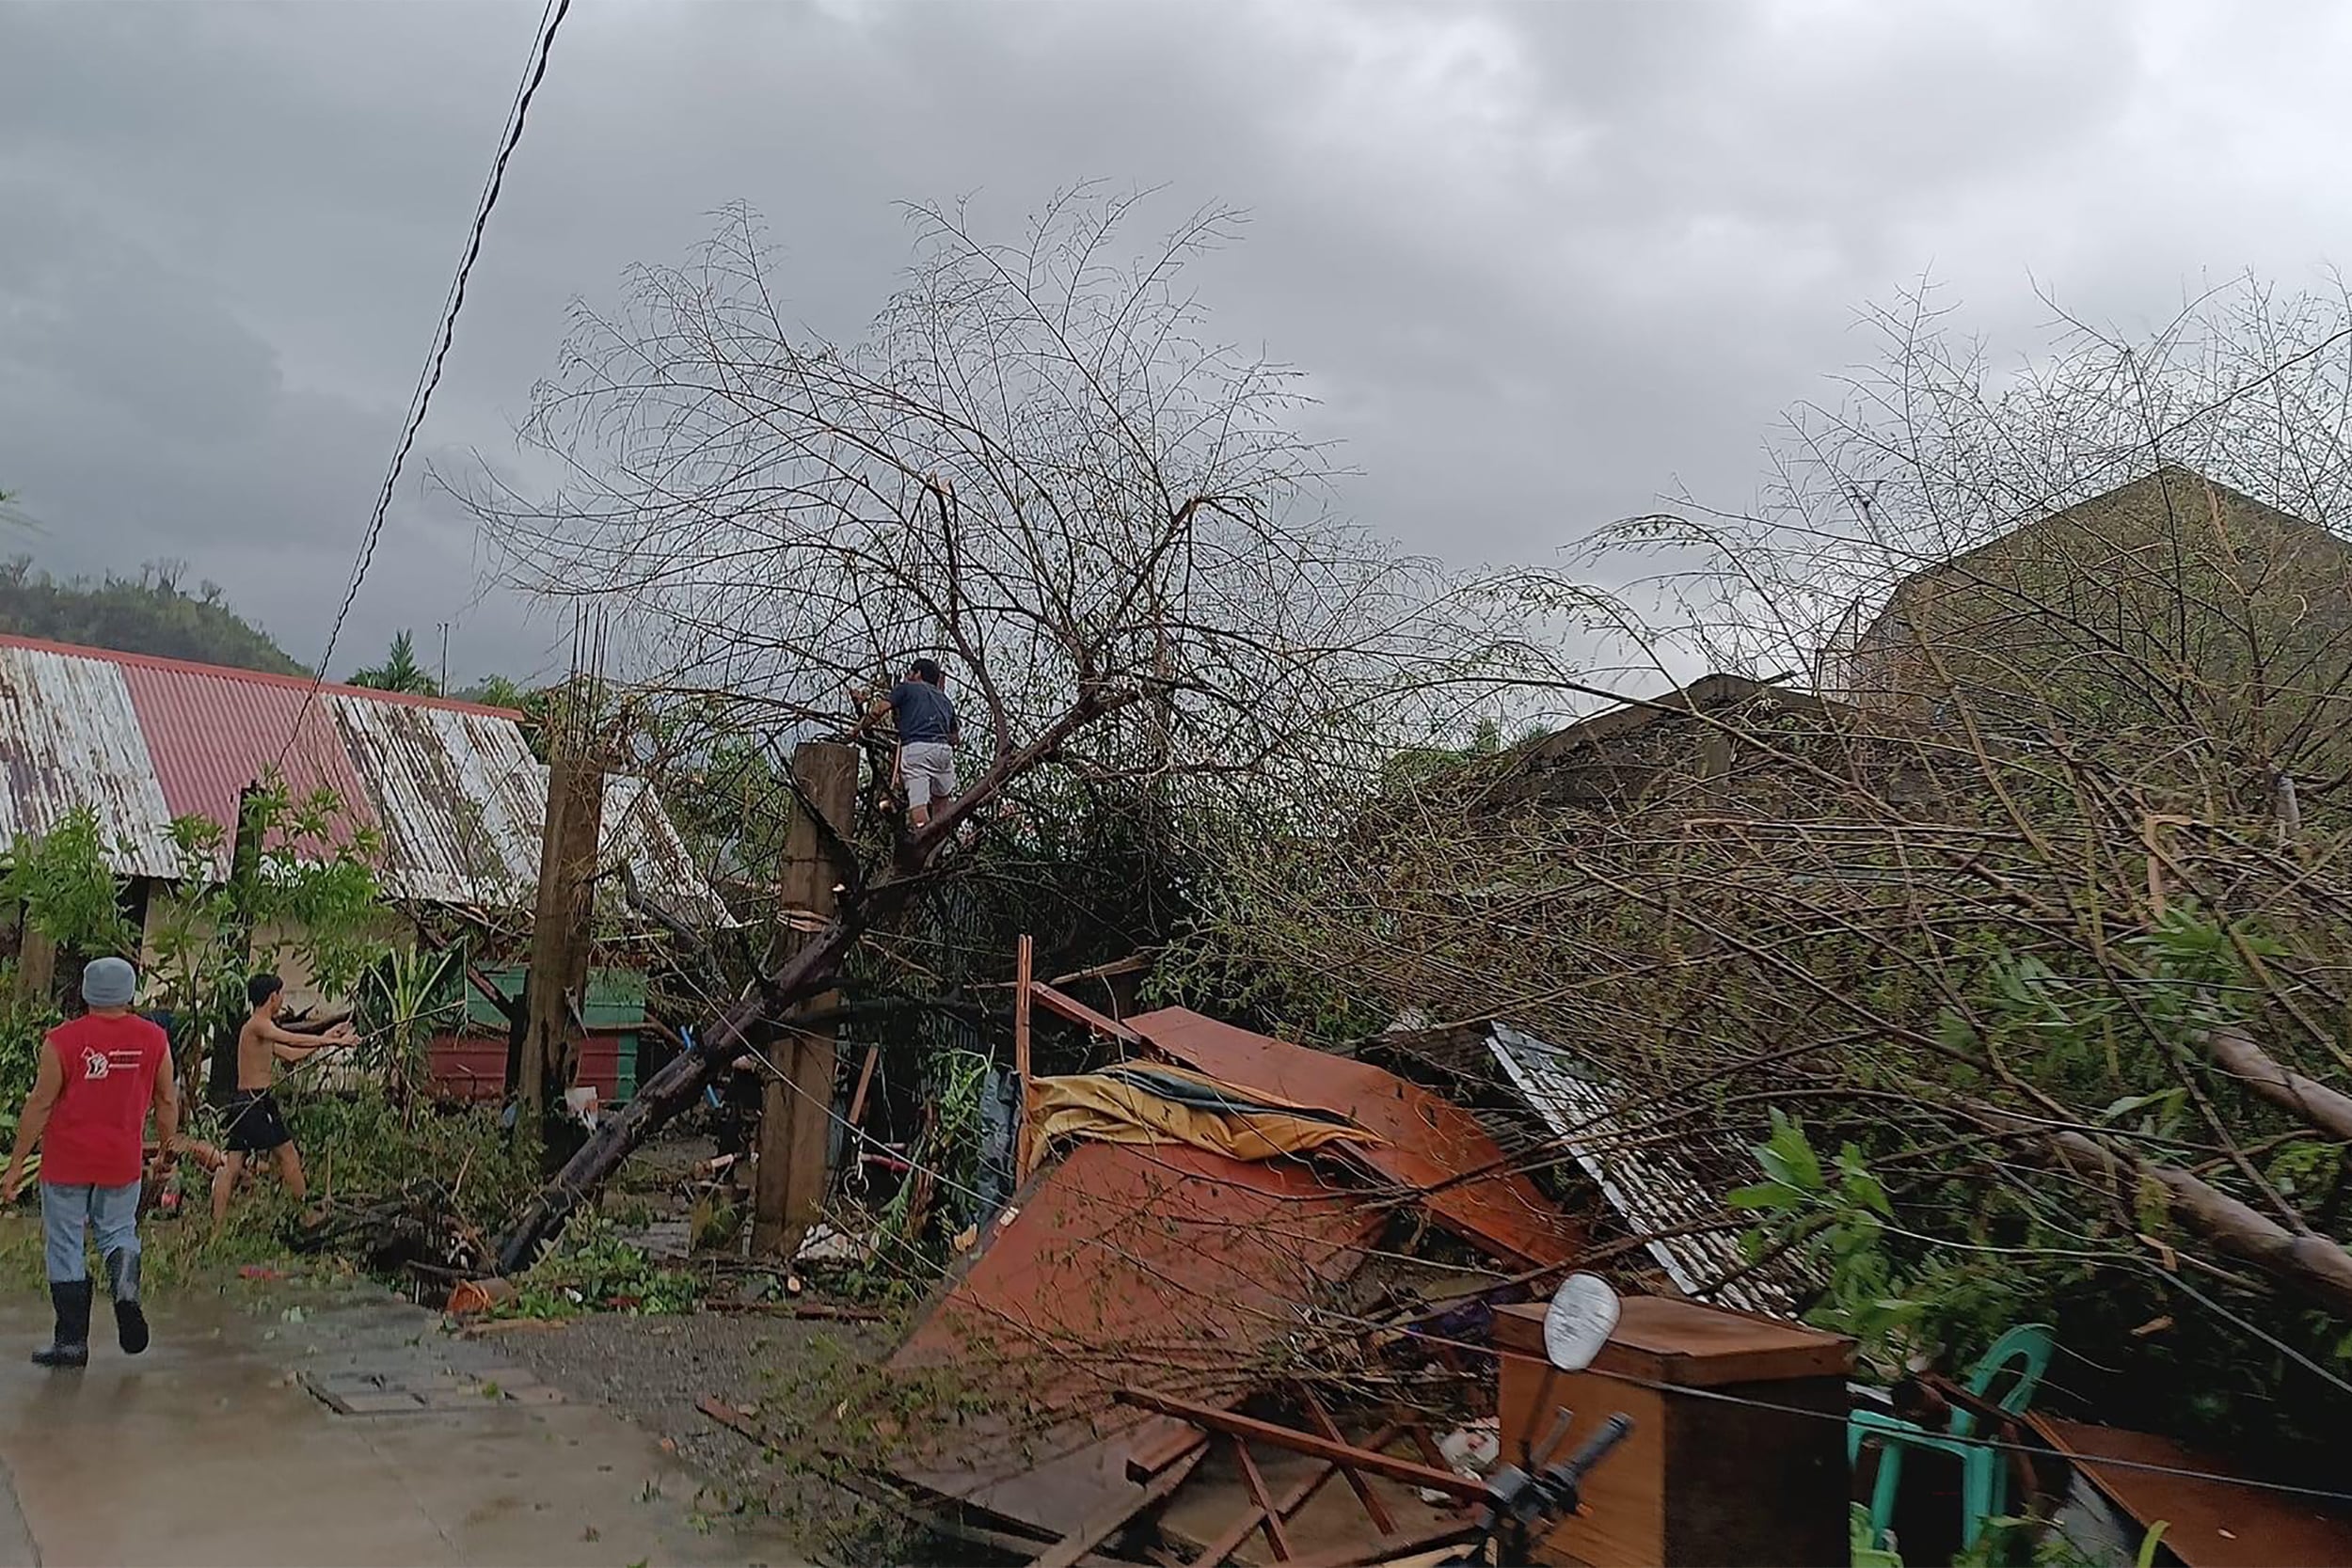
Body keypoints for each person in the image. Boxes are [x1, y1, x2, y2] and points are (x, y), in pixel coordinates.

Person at [3, 956, 177, 1368]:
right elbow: (167, 1100)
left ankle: (71, 1344)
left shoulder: (62, 1040)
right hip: (121, 1161)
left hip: (67, 1161)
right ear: (129, 992)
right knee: (118, 1231)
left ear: (86, 992)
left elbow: (40, 1104)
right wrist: (166, 1152)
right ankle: (126, 1290)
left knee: (65, 1242)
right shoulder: (154, 1040)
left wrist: (16, 1165)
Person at [212, 974, 354, 1234]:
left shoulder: (260, 1030)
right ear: (272, 997)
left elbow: (291, 1054)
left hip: (249, 1101)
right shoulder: (258, 1025)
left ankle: (216, 1230)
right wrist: (332, 1040)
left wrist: (326, 1038)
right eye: (281, 994)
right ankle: (304, 1214)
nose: (282, 999)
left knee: (232, 1165)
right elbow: (291, 1038)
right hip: (255, 1102)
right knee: (287, 1155)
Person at [853, 657, 961, 829]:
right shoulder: (945, 700)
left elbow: (879, 710)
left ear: (918, 674)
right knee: (941, 802)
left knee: (918, 804)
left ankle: (923, 834)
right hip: (943, 752)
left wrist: (857, 729)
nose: (907, 676)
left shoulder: (906, 688)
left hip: (916, 749)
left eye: (910, 672)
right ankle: (940, 841)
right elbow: (955, 739)